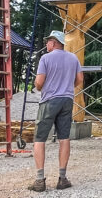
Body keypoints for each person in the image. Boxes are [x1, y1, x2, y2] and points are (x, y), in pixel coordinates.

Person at [29, 30, 83, 192]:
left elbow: (39, 83)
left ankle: (40, 181)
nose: (46, 44)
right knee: (64, 138)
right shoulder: (73, 58)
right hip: (67, 100)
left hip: (49, 101)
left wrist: (42, 87)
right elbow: (80, 80)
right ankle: (62, 178)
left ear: (53, 43)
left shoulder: (45, 58)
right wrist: (66, 87)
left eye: (48, 42)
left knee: (39, 139)